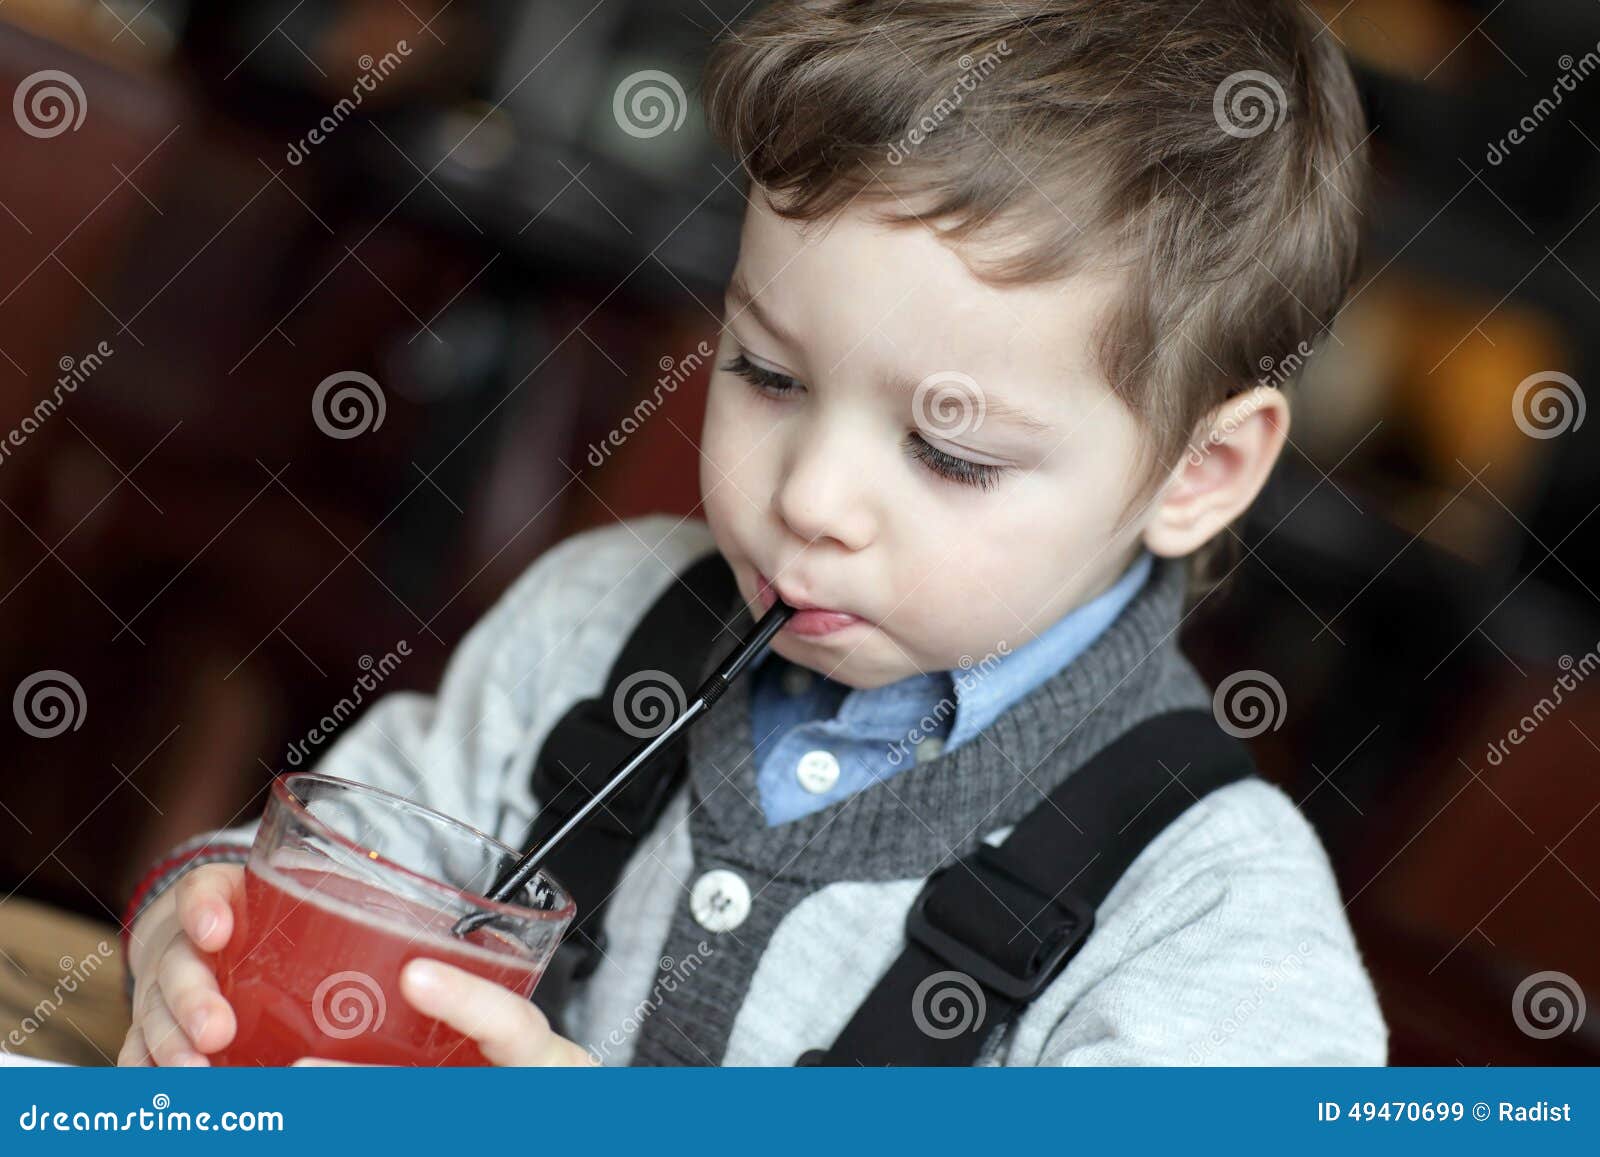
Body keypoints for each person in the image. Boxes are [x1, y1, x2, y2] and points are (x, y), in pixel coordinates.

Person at [118, 0, 1386, 1067]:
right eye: (768, 373)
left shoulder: (1206, 920)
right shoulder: (595, 624)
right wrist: (205, 928)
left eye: (950, 450)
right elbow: (367, 862)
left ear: (1200, 470)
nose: (809, 498)